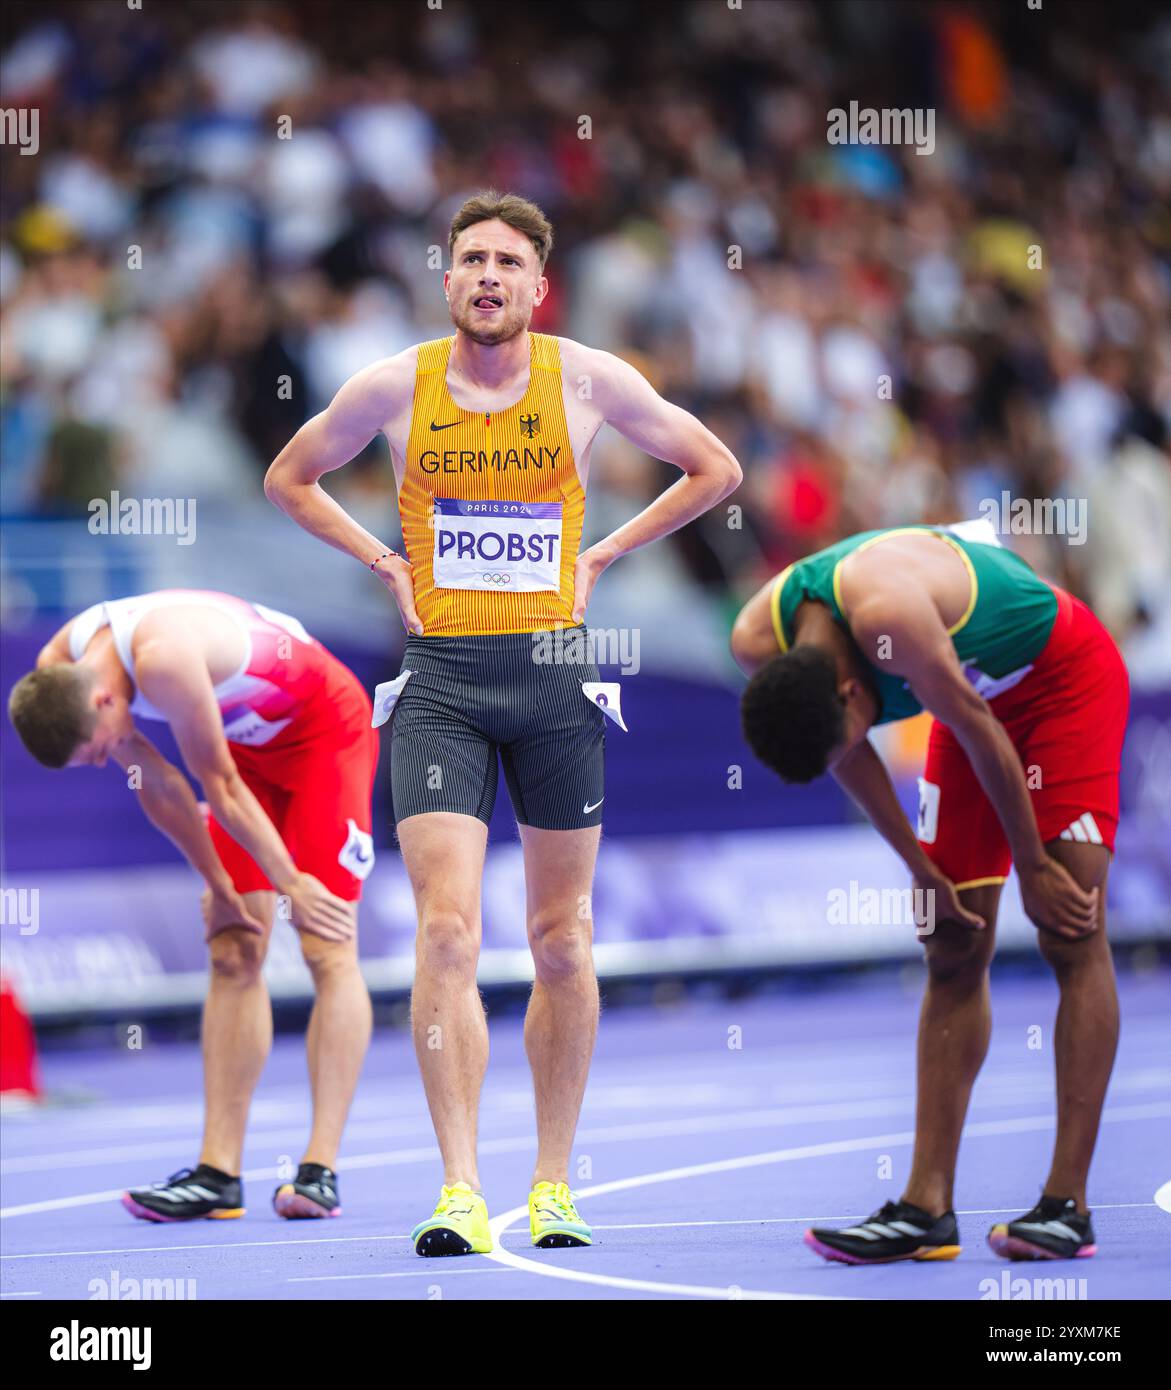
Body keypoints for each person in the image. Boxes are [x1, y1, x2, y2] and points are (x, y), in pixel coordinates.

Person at [265, 190, 742, 1255]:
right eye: (469, 258)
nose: (486, 275)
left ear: (537, 285)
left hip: (557, 678)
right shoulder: (396, 387)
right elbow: (288, 476)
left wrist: (608, 551)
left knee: (562, 943)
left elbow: (716, 468)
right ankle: (461, 1187)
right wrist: (383, 559)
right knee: (445, 932)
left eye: (506, 262)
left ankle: (554, 1181)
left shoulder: (586, 380)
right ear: (448, 282)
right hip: (439, 681)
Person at [731, 522, 1129, 1264]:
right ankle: (925, 1206)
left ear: (853, 691)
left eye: (851, 727)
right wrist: (920, 868)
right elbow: (845, 751)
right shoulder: (760, 640)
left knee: (1069, 927)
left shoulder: (888, 618)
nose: (850, 740)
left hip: (1061, 680)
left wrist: (1034, 864)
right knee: (950, 942)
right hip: (968, 697)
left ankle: (1066, 1205)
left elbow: (976, 726)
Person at [8, 588, 380, 1222]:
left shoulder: (163, 658)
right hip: (242, 747)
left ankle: (319, 1169)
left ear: (104, 700)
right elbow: (159, 785)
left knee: (324, 941)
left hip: (325, 735)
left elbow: (220, 790)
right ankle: (218, 1174)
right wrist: (222, 889)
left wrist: (289, 882)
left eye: (99, 750)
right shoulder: (62, 666)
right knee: (233, 949)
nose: (105, 760)